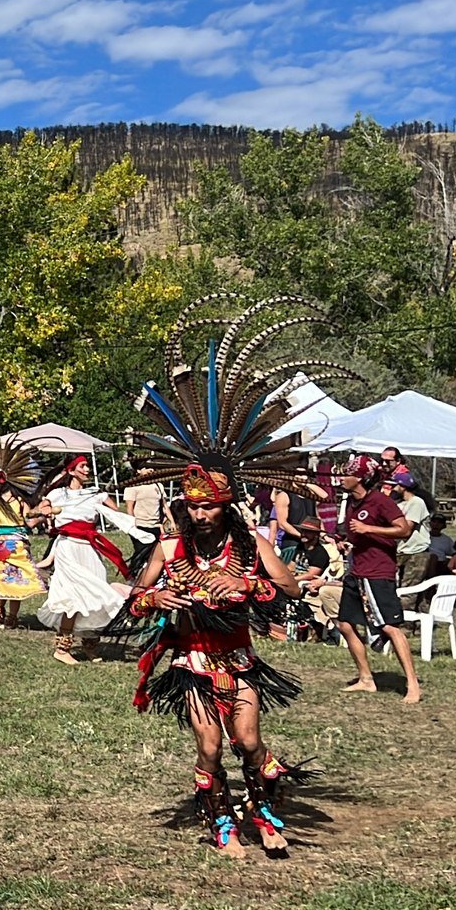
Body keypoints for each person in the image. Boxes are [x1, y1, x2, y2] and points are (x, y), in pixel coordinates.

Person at [117, 296, 338, 857]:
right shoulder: (169, 546)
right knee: (211, 750)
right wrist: (158, 595)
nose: (199, 514)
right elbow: (135, 600)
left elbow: (290, 590)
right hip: (192, 664)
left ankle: (262, 810)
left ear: (227, 506)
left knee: (250, 741)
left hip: (239, 660)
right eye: (192, 507)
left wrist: (247, 587)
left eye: (209, 507)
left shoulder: (255, 545)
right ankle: (219, 820)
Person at [36, 455, 154, 665]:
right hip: (68, 548)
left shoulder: (95, 493)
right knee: (74, 595)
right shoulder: (57, 494)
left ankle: (90, 644)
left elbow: (115, 511)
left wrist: (114, 511)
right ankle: (62, 648)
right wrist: (44, 510)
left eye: (87, 466)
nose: (87, 470)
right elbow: (40, 508)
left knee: (95, 595)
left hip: (89, 549)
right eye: (83, 466)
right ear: (72, 471)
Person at [333, 455, 423, 703]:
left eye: (347, 474)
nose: (342, 478)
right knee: (345, 624)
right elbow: (356, 535)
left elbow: (404, 530)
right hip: (357, 571)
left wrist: (370, 529)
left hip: (378, 573)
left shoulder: (380, 501)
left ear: (360, 478)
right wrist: (347, 543)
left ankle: (413, 685)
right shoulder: (351, 502)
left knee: (390, 627)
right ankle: (366, 679)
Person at [0, 440, 45, 628]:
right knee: (16, 580)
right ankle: (10, 616)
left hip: (1, 545)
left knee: (2, 578)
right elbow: (30, 521)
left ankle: (1, 611)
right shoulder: (20, 500)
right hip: (16, 545)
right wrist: (41, 516)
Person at [391, 473, 435, 604]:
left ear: (402, 487)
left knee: (409, 590)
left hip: (416, 552)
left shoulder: (417, 503)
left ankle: (406, 623)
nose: (391, 489)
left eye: (394, 486)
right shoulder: (400, 504)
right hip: (403, 551)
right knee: (400, 587)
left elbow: (407, 529)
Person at [120, 471, 167, 575]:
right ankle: (133, 576)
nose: (150, 470)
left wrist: (169, 521)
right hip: (140, 525)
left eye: (152, 467)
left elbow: (164, 506)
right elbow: (129, 508)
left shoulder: (158, 485)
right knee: (141, 553)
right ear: (138, 470)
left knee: (155, 555)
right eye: (146, 467)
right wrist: (133, 527)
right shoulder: (132, 487)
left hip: (156, 525)